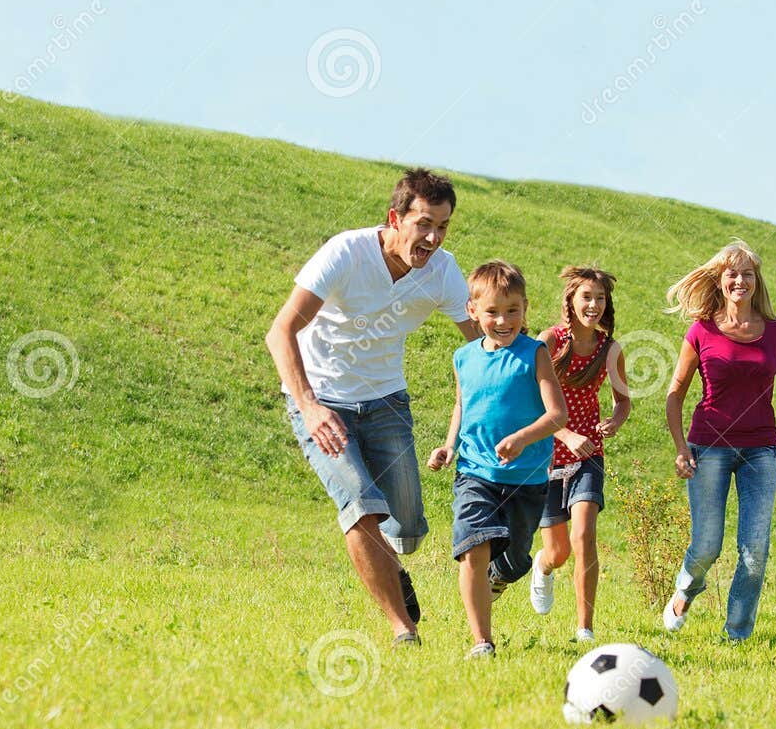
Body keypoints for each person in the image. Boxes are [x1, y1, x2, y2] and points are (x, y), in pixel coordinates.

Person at [265, 168, 479, 648]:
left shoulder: (443, 272)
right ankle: (404, 629)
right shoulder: (347, 253)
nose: (432, 238)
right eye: (423, 224)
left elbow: (485, 347)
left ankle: (393, 564)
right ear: (395, 218)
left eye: (442, 226)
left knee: (407, 525)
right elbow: (280, 332)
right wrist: (309, 406)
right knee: (360, 506)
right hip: (321, 401)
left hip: (387, 402)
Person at [663, 240, 776, 641]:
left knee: (755, 551)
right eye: (732, 274)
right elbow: (675, 394)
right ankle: (685, 591)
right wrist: (679, 447)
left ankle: (737, 634)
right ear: (720, 281)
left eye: (747, 274)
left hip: (761, 449)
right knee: (707, 546)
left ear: (756, 281)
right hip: (709, 445)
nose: (740, 280)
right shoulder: (702, 331)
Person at [427, 262, 567, 658]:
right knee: (474, 546)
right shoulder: (463, 357)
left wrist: (522, 439)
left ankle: (501, 577)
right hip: (474, 471)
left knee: (515, 559)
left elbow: (557, 415)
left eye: (512, 311)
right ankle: (481, 642)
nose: (502, 320)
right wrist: (449, 445)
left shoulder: (534, 354)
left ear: (524, 309)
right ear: (473, 310)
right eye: (492, 312)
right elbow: (462, 404)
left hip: (526, 478)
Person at [527, 267, 630, 642]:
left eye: (600, 298)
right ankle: (544, 566)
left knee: (585, 533)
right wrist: (565, 434)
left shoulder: (610, 349)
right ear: (570, 300)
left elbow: (622, 401)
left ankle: (584, 628)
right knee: (558, 552)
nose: (594, 305)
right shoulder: (548, 342)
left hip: (588, 453)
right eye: (586, 296)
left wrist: (614, 421)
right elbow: (532, 399)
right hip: (545, 455)